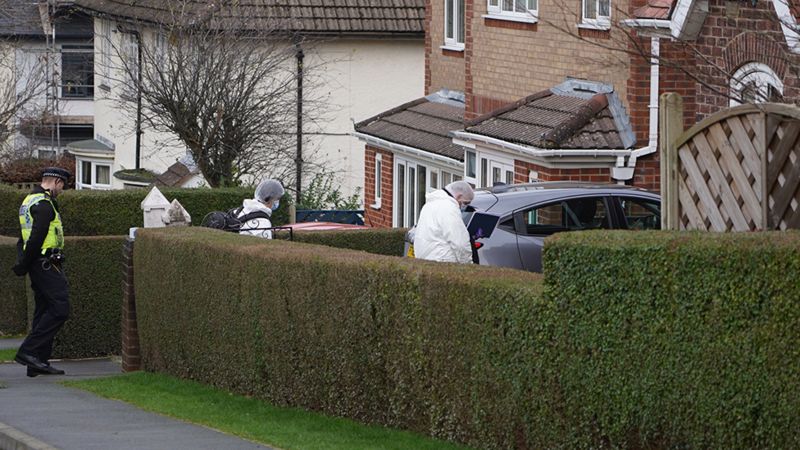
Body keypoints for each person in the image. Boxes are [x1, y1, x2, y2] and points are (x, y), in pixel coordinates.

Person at [12, 167, 72, 377]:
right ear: (56, 182)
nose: (61, 190)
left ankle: (37, 361)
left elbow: (23, 237)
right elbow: (36, 237)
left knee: (43, 308)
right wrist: (25, 263)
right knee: (60, 308)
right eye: (62, 186)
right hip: (45, 263)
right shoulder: (45, 204)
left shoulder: (28, 201)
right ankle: (28, 351)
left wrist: (23, 263)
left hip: (38, 263)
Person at [414, 180, 474, 264]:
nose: (463, 207)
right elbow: (460, 243)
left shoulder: (429, 205)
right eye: (465, 203)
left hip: (426, 260)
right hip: (443, 261)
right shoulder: (449, 208)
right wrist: (468, 265)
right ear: (459, 196)